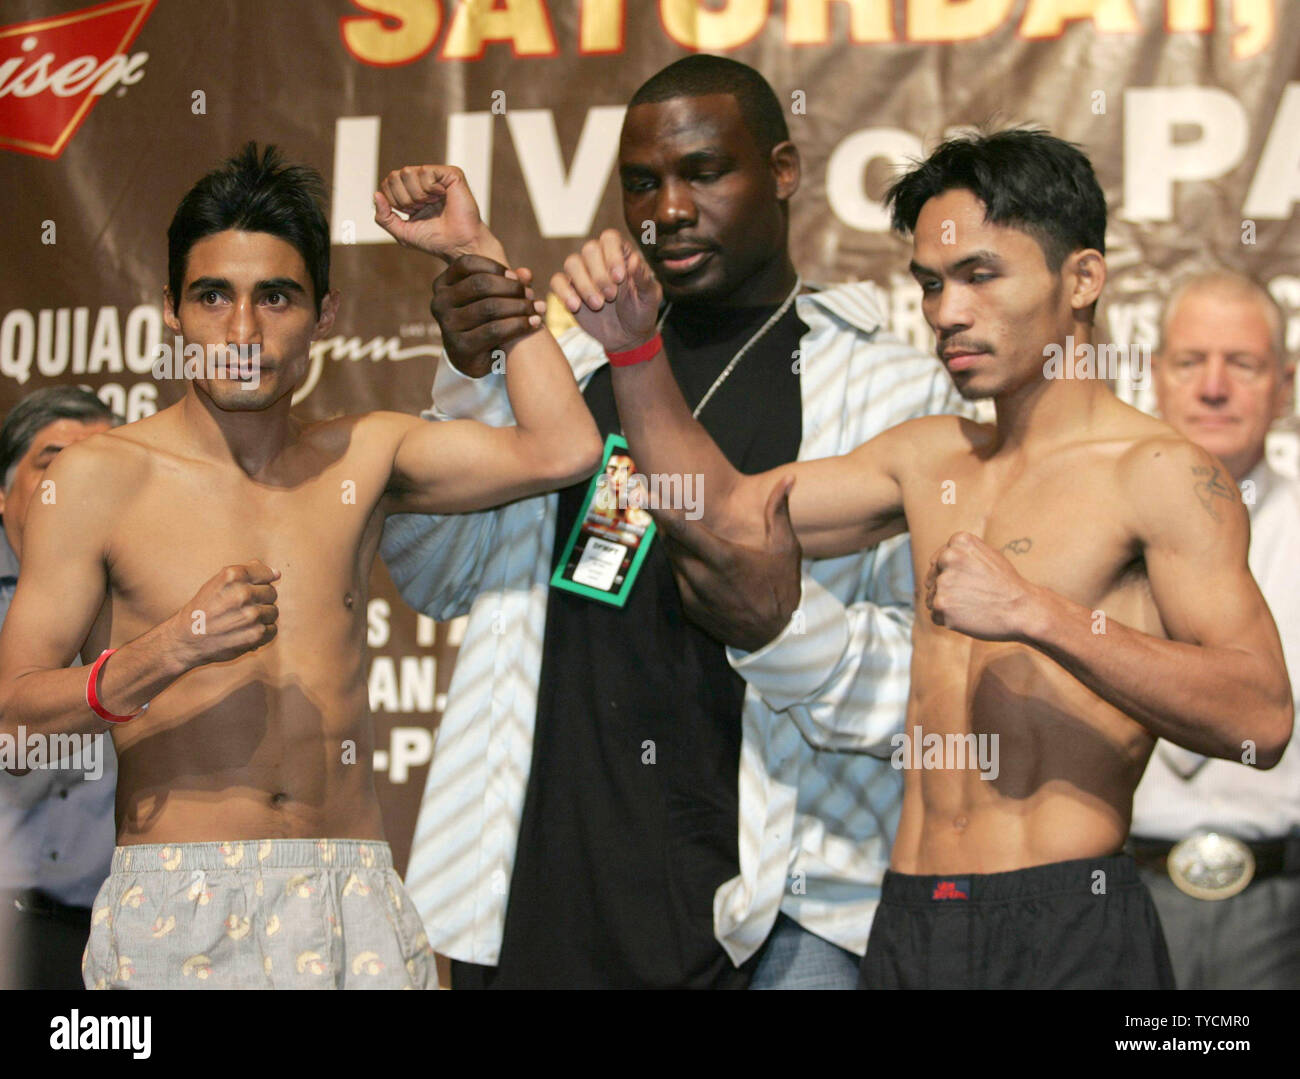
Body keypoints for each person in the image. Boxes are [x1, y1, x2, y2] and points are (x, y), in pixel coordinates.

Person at [554, 127, 1293, 989]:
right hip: (912, 917)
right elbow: (720, 513)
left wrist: (1039, 613)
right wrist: (636, 351)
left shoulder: (1160, 472)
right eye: (932, 284)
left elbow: (1262, 719)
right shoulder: (927, 457)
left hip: (1067, 918)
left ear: (1083, 278)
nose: (947, 312)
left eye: (981, 275)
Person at [381, 55, 964, 988]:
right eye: (643, 183)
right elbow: (433, 574)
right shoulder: (565, 367)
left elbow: (932, 679)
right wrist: (478, 369)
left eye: (704, 172)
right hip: (545, 896)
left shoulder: (891, 390)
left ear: (782, 171)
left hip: (779, 920)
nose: (669, 210)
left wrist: (784, 625)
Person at [0, 143, 600, 990]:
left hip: (352, 898)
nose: (242, 333)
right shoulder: (100, 479)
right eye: (213, 297)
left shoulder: (366, 453)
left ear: (324, 316)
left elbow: (565, 446)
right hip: (177, 905)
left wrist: (477, 251)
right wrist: (163, 651)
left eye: (274, 298)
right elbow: (11, 718)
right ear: (171, 309)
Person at [1129, 270, 1300, 988]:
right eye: (1192, 361)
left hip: (1284, 911)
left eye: (1244, 363)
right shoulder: (1087, 529)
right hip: (1120, 899)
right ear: (1155, 374)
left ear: (1285, 383)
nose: (1213, 388)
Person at [0, 387, 120, 990]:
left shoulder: (160, 613)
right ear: (2, 492)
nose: (75, 485)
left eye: (96, 465)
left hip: (128, 933)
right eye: (53, 461)